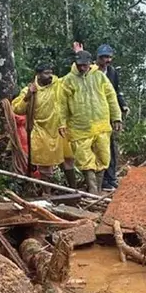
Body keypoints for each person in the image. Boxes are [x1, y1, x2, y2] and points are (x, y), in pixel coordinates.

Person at [57, 51, 123, 194]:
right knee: (84, 160)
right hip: (80, 127)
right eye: (80, 65)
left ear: (90, 63)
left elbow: (111, 96)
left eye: (85, 65)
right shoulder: (68, 80)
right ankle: (93, 191)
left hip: (101, 125)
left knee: (103, 157)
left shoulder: (99, 76)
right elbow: (62, 105)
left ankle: (97, 190)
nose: (82, 68)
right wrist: (61, 123)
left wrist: (116, 117)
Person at [11, 63, 77, 191]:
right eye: (46, 73)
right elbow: (17, 109)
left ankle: (74, 190)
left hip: (59, 130)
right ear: (38, 75)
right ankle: (47, 193)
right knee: (45, 165)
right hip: (41, 131)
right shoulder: (29, 90)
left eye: (51, 72)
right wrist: (28, 96)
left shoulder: (58, 85)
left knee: (68, 160)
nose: (50, 76)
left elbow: (72, 78)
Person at [95, 44, 128, 190]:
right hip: (94, 114)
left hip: (108, 114)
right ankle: (100, 180)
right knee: (98, 147)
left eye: (108, 57)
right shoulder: (92, 72)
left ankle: (111, 177)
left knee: (111, 146)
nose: (106, 60)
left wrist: (122, 106)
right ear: (98, 58)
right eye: (103, 57)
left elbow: (116, 92)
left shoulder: (112, 72)